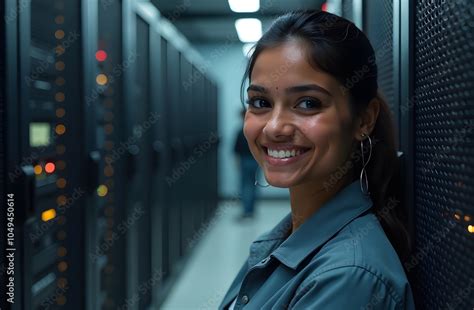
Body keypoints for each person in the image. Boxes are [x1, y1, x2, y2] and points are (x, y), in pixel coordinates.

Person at [219, 10, 415, 309]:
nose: (274, 127)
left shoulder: (347, 279)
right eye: (261, 103)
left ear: (364, 119)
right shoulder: (284, 238)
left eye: (308, 103)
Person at [234, 109, 259, 220]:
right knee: (253, 186)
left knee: (245, 187)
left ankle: (246, 212)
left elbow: (236, 151)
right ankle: (251, 211)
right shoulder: (255, 132)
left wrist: (237, 164)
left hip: (245, 161)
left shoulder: (240, 132)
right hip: (256, 162)